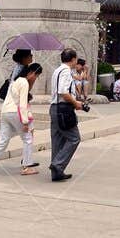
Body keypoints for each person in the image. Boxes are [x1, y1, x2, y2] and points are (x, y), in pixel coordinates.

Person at [0, 60, 43, 177]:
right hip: (15, 112)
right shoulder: (24, 83)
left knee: (2, 141)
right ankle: (26, 166)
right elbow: (22, 103)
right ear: (32, 73)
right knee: (27, 138)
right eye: (36, 76)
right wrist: (25, 121)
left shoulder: (16, 81)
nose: (35, 79)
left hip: (5, 112)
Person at [49, 51, 84, 181]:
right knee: (74, 138)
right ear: (73, 59)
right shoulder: (66, 71)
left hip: (55, 108)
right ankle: (57, 165)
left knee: (57, 140)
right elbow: (63, 92)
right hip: (63, 109)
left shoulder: (57, 71)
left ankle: (57, 172)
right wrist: (75, 103)